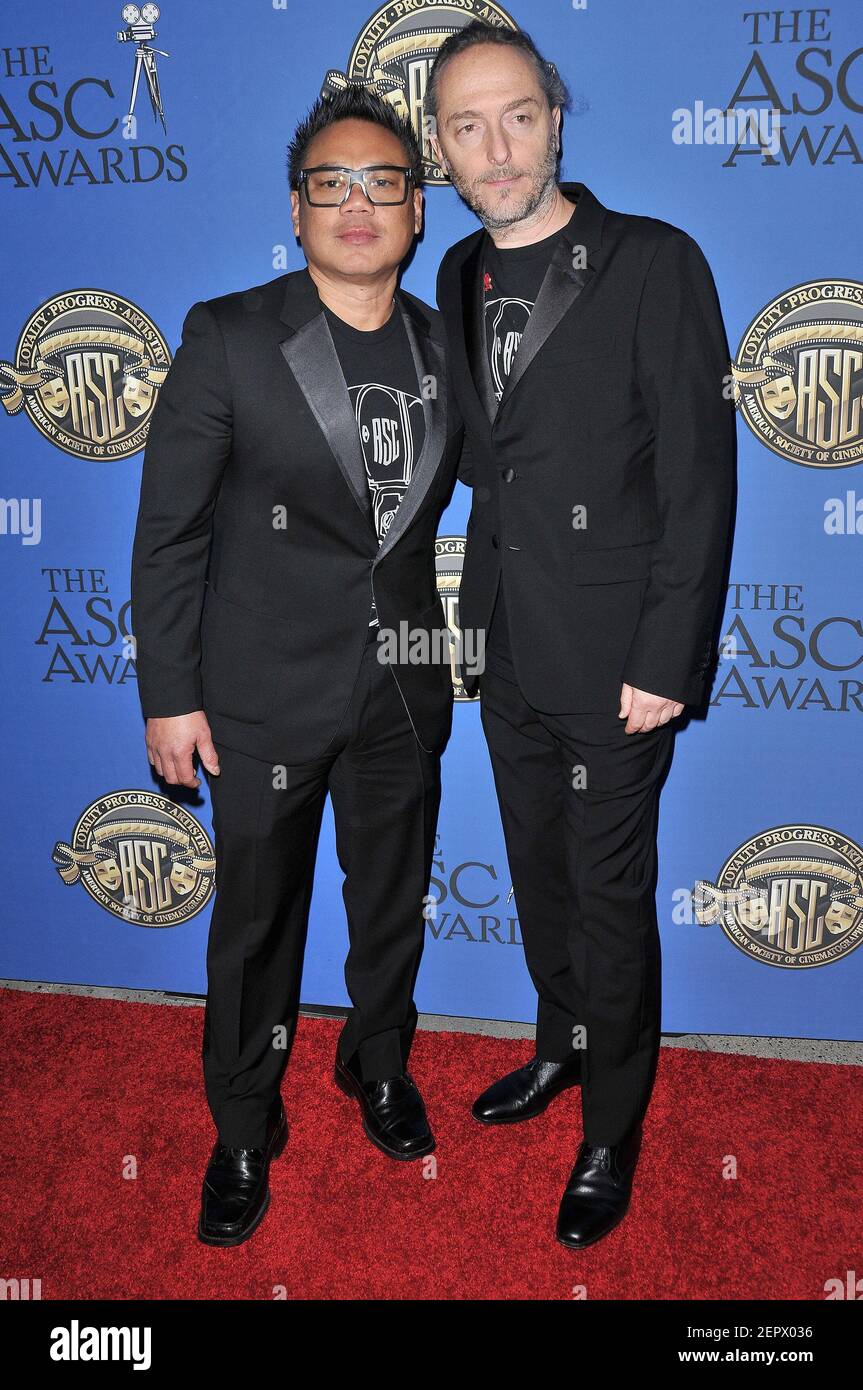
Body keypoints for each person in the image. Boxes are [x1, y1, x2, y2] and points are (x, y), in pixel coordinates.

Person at [130, 86, 463, 1247]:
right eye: (333, 182)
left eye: (382, 182)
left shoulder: (443, 347)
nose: (358, 202)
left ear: (416, 211)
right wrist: (169, 692)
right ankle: (239, 1125)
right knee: (257, 924)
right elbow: (168, 532)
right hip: (260, 694)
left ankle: (375, 1066)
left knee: (388, 909)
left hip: (402, 690)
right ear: (297, 205)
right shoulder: (227, 334)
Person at [429, 22, 736, 1248]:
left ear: (556, 118)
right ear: (440, 148)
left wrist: (665, 658)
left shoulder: (653, 261)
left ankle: (611, 1125)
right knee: (539, 874)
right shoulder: (454, 273)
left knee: (608, 898)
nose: (494, 147)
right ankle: (559, 1047)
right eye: (464, 125)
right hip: (501, 640)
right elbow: (468, 458)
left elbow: (698, 480)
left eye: (514, 115)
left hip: (617, 662)